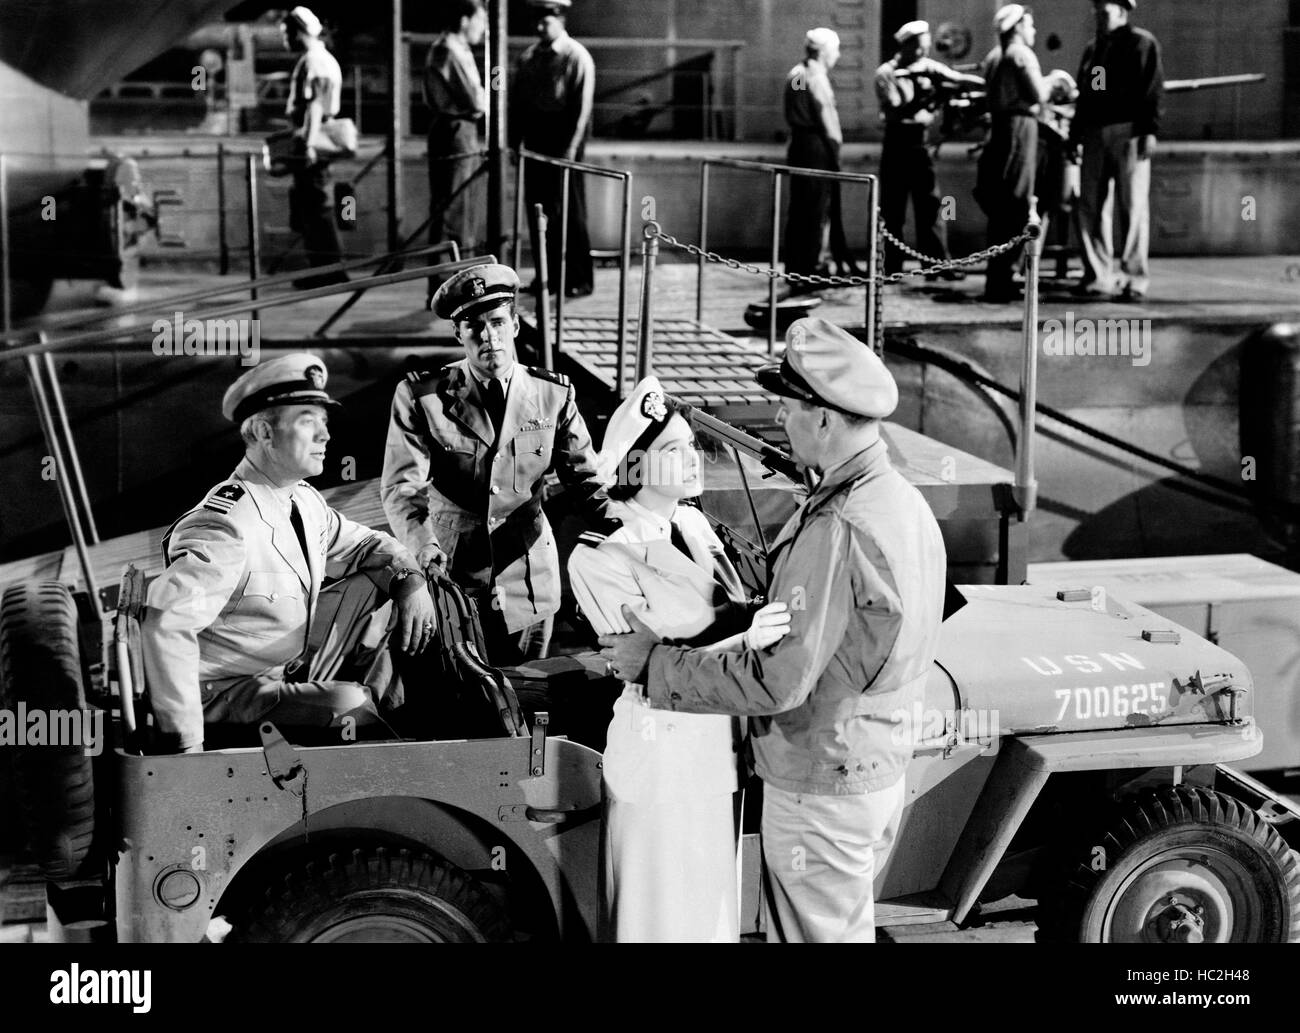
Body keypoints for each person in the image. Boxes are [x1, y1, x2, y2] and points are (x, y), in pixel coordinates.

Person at [598, 318, 948, 943]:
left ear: (824, 420)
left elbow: (781, 681)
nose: (780, 422)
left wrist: (655, 666)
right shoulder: (900, 500)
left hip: (819, 780)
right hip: (872, 764)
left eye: (787, 409)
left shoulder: (836, 524)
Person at [567, 377, 792, 943]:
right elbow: (643, 659)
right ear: (637, 466)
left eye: (692, 445)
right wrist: (748, 638)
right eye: (674, 450)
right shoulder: (602, 553)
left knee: (711, 907)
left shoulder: (694, 525)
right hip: (661, 749)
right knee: (659, 914)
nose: (693, 459)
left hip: (720, 745)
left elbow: (728, 611)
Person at [141, 354, 438, 755]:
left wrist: (412, 582)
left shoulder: (301, 499)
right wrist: (184, 745)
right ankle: (386, 750)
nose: (325, 436)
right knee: (348, 707)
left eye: (324, 421)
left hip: (281, 663)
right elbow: (164, 619)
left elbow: (369, 545)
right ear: (264, 431)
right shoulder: (226, 524)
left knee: (381, 582)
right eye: (307, 420)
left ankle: (393, 718)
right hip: (222, 693)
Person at [382, 263, 611, 664]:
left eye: (497, 322)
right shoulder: (422, 397)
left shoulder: (553, 393)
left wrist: (630, 526)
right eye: (474, 327)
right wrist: (423, 547)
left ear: (515, 325)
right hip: (453, 577)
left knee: (531, 694)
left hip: (529, 580)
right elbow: (403, 489)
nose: (488, 336)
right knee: (465, 700)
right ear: (458, 334)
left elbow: (585, 479)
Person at [874, 21, 983, 280]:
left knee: (932, 207)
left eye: (925, 48)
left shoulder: (928, 68)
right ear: (906, 45)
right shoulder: (886, 73)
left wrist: (980, 85)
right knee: (892, 210)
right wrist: (929, 97)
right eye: (919, 48)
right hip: (898, 142)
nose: (923, 54)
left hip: (920, 144)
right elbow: (896, 107)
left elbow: (956, 80)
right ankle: (891, 269)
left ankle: (936, 264)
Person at [1071, 0, 1164, 301]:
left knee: (1132, 206)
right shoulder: (1095, 50)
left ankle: (1134, 278)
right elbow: (1086, 95)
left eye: (1105, 13)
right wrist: (1076, 135)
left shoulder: (1141, 44)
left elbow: (1151, 89)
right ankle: (1098, 275)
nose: (1099, 17)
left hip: (1128, 130)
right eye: (1097, 12)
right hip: (1096, 132)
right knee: (1091, 206)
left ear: (1123, 13)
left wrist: (1148, 130)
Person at [512, 0, 596, 299]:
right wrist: (514, 142)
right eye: (537, 20)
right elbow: (517, 103)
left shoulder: (576, 57)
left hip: (562, 142)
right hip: (535, 141)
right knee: (538, 213)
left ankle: (579, 278)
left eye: (545, 21)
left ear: (561, 19)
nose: (539, 27)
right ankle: (545, 277)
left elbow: (580, 110)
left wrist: (570, 151)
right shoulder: (529, 58)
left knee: (570, 214)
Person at [975, 5, 1051, 302]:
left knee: (1000, 205)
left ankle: (998, 276)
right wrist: (1054, 82)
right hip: (1019, 130)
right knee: (1017, 202)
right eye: (1030, 25)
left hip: (999, 130)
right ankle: (1005, 278)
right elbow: (1038, 95)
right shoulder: (1021, 54)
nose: (1033, 31)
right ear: (1018, 26)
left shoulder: (994, 57)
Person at [424, 0, 488, 308]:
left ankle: (448, 284)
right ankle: (448, 288)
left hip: (454, 130)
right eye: (481, 20)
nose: (484, 27)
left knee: (453, 208)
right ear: (465, 19)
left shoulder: (447, 48)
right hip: (456, 132)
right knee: (454, 210)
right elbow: (477, 100)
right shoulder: (451, 50)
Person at [281, 6, 348, 289]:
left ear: (298, 32)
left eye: (285, 32)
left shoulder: (315, 61)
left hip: (313, 140)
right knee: (311, 207)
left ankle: (331, 272)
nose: (283, 38)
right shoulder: (318, 59)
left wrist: (307, 144)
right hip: (313, 138)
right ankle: (322, 271)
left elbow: (316, 105)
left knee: (318, 207)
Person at [782, 28, 844, 291]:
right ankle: (812, 268)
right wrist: (835, 147)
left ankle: (796, 267)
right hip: (816, 146)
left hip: (798, 144)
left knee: (800, 209)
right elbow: (825, 115)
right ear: (823, 52)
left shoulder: (796, 74)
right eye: (835, 50)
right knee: (816, 210)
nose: (838, 56)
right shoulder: (816, 78)